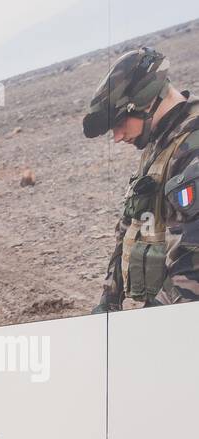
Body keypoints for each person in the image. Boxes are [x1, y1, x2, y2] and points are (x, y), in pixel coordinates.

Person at [85, 47, 199, 311]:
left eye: (119, 123)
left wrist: (151, 325)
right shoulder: (158, 145)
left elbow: (194, 262)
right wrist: (108, 301)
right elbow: (129, 229)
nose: (116, 136)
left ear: (147, 103)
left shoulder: (191, 148)